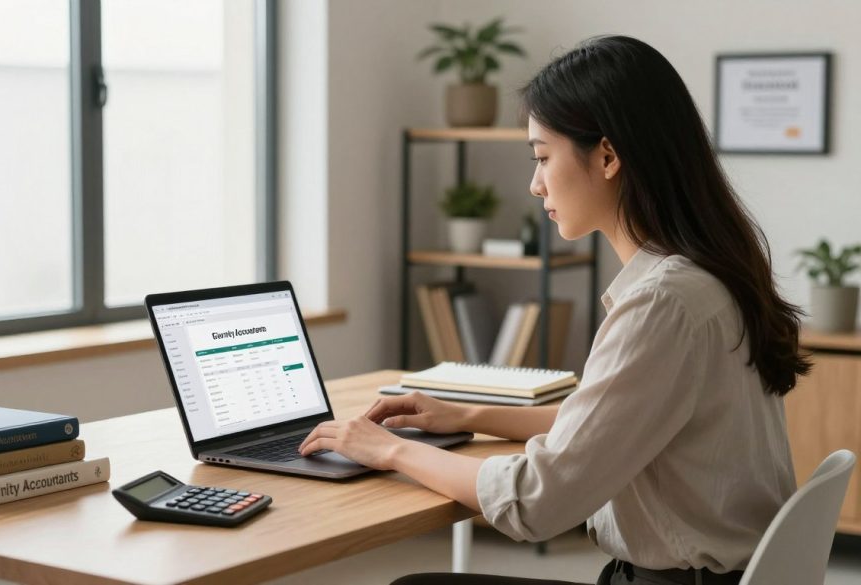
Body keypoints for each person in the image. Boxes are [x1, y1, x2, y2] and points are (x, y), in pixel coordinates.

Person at [298, 35, 811, 585]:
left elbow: (534, 502)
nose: (534, 182)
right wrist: (465, 416)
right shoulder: (710, 276)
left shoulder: (661, 303)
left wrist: (390, 451)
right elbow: (609, 425)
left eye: (543, 156)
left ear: (608, 156)